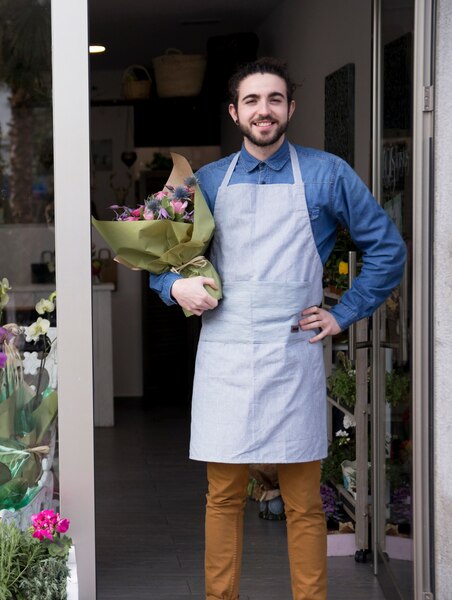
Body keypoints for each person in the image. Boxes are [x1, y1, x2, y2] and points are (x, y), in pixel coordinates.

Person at [149, 58, 406, 600]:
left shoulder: (327, 173)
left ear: (291, 108)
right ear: (234, 112)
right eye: (251, 101)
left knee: (303, 502)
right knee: (222, 496)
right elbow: (160, 261)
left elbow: (387, 248)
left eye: (273, 99)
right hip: (225, 355)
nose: (263, 110)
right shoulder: (208, 181)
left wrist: (345, 311)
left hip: (293, 355)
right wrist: (175, 288)